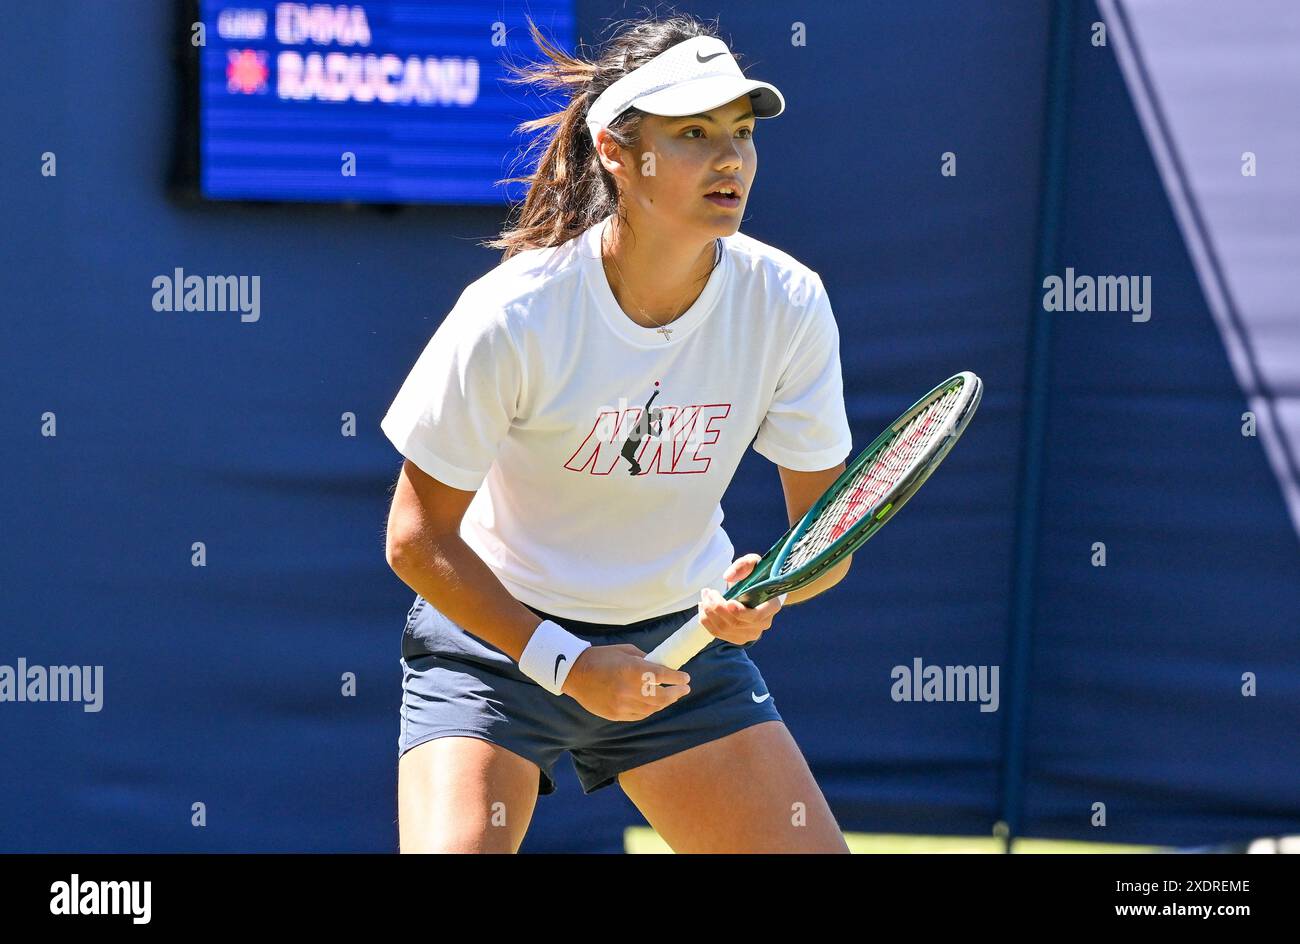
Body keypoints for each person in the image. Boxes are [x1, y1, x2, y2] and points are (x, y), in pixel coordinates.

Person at [381, 14, 854, 853]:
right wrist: (563, 663)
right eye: (695, 133)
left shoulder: (788, 302)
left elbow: (828, 541)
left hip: (684, 654)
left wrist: (765, 594)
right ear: (614, 150)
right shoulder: (514, 314)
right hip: (496, 649)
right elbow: (418, 542)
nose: (731, 159)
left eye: (741, 134)